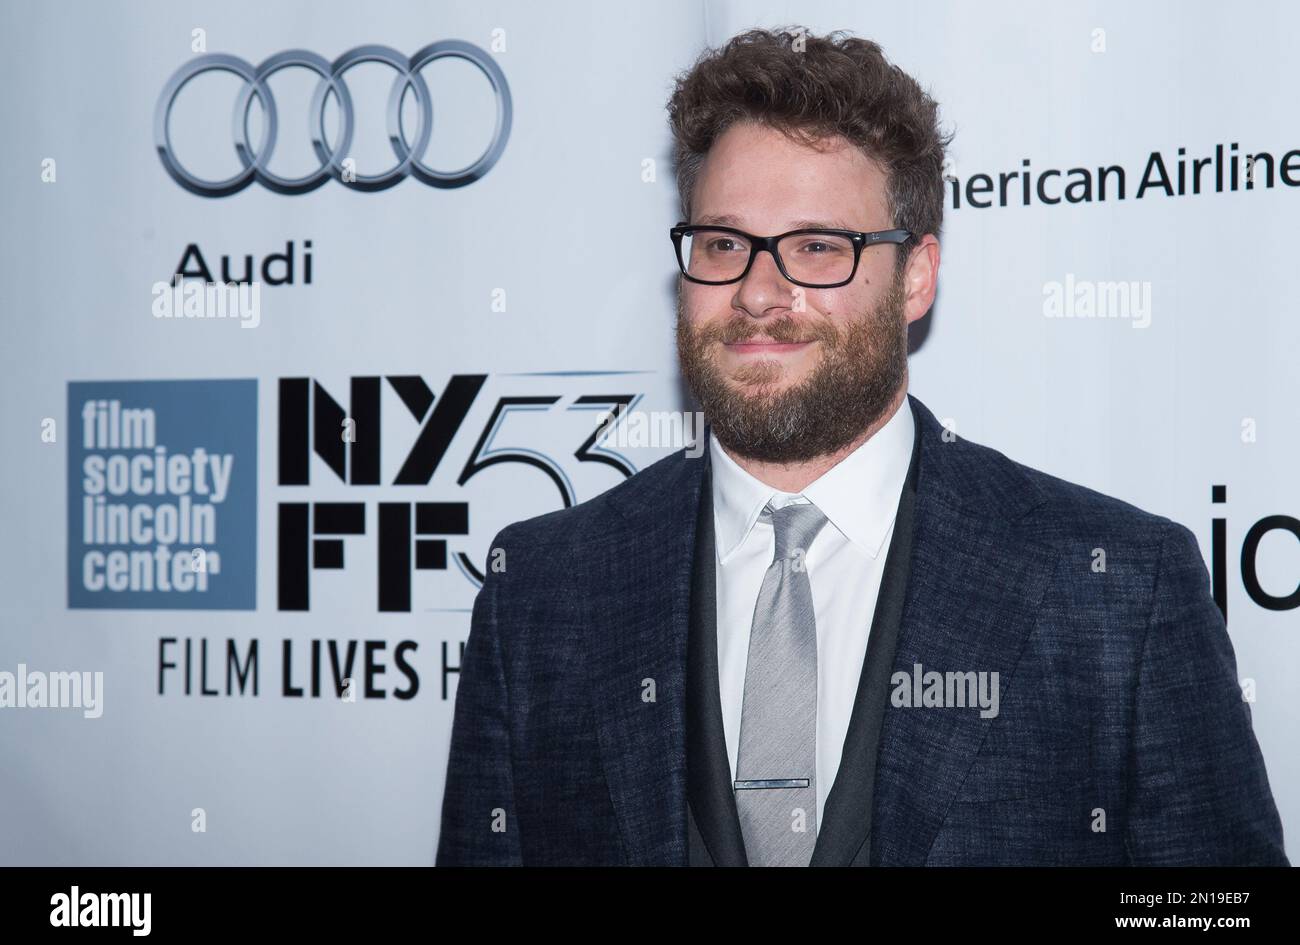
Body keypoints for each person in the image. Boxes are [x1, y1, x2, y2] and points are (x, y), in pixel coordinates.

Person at [436, 26, 1288, 866]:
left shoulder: (1119, 591)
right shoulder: (542, 594)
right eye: (723, 244)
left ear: (915, 276)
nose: (759, 292)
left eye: (817, 248)